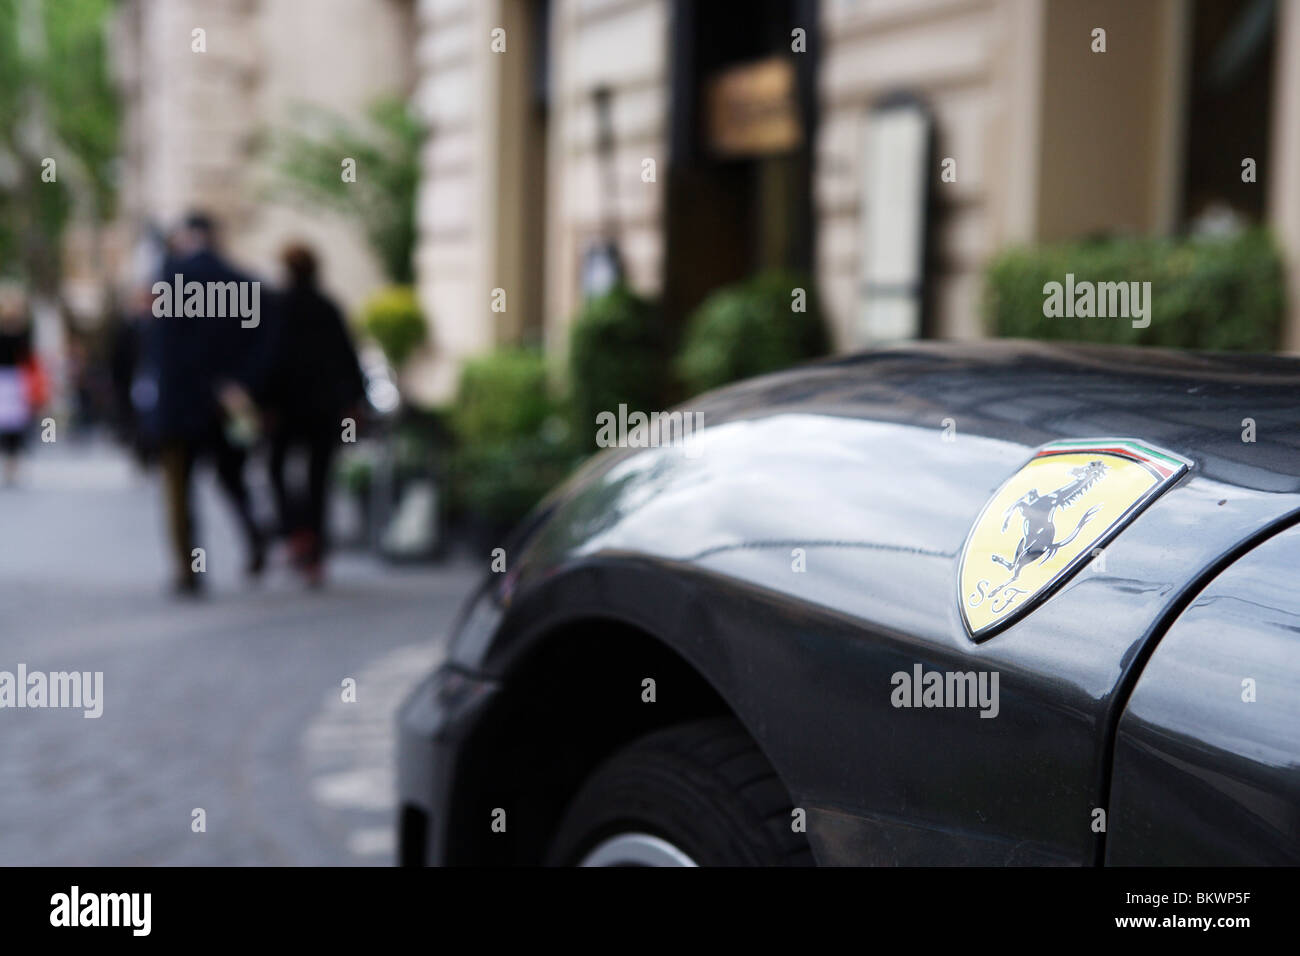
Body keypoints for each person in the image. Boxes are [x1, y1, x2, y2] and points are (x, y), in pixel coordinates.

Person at [154, 212, 271, 594]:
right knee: (234, 481)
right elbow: (264, 346)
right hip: (228, 404)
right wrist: (238, 385)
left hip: (182, 406)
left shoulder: (171, 281)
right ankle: (255, 539)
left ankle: (189, 569)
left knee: (179, 493)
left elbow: (162, 351)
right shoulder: (243, 282)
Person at [263, 243, 365, 586]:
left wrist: (265, 404)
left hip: (287, 409)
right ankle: (314, 550)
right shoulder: (327, 307)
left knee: (278, 470)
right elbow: (348, 358)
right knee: (319, 479)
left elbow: (269, 360)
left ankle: (297, 533)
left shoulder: (278, 306)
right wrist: (353, 403)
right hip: (323, 408)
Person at [0, 282, 44, 486]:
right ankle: (9, 463)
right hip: (4, 380)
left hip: (16, 380)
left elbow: (28, 355)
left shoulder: (23, 331)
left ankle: (13, 463)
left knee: (15, 424)